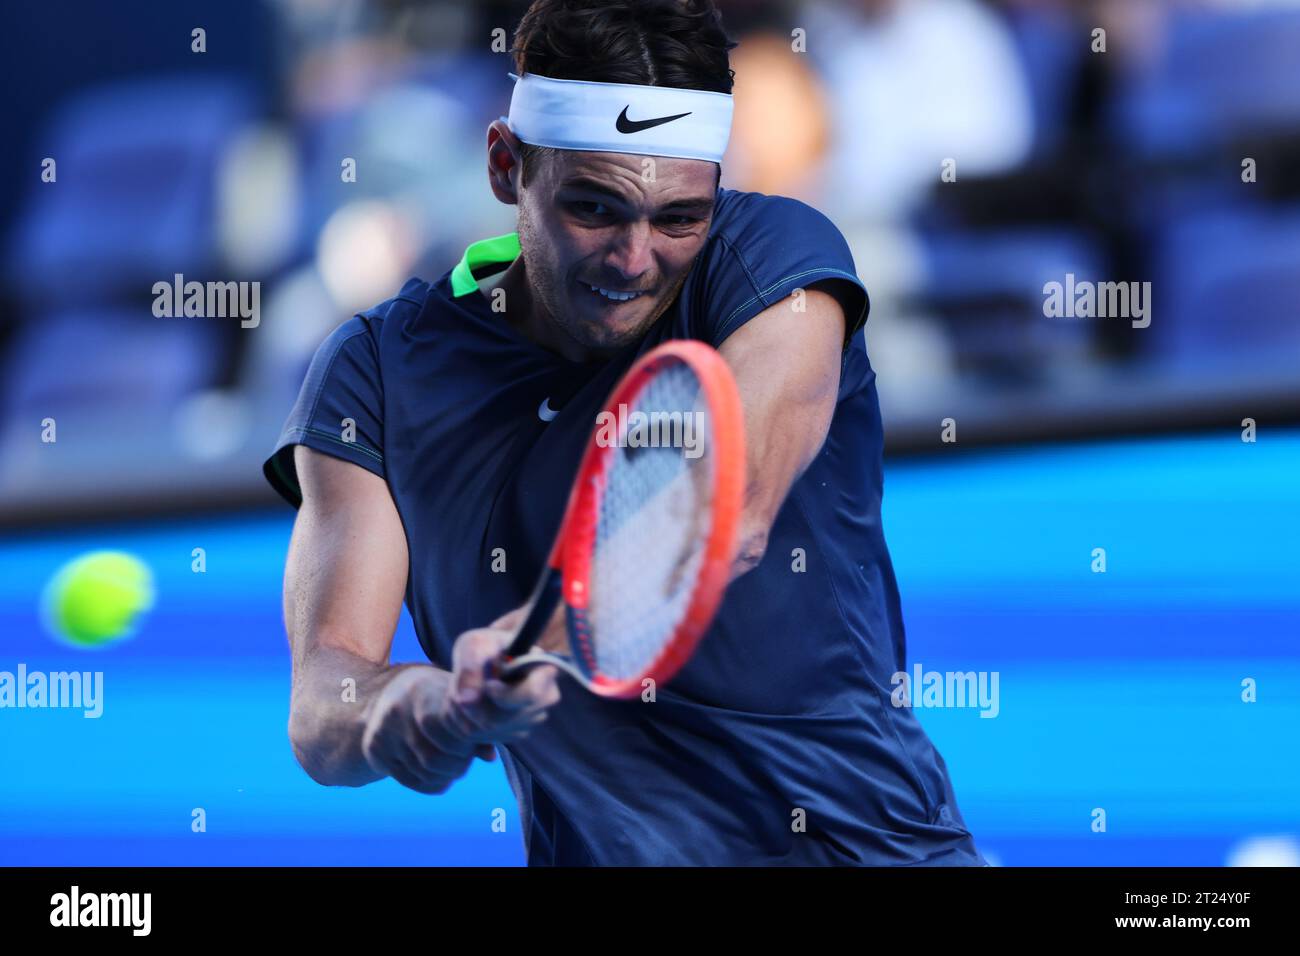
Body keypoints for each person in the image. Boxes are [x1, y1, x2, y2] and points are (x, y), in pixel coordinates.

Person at [264, 0, 985, 866]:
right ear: (506, 167)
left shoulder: (775, 260)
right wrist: (407, 706)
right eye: (595, 209)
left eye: (679, 216)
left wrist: (535, 640)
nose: (636, 258)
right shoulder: (374, 371)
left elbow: (727, 505)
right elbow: (323, 699)